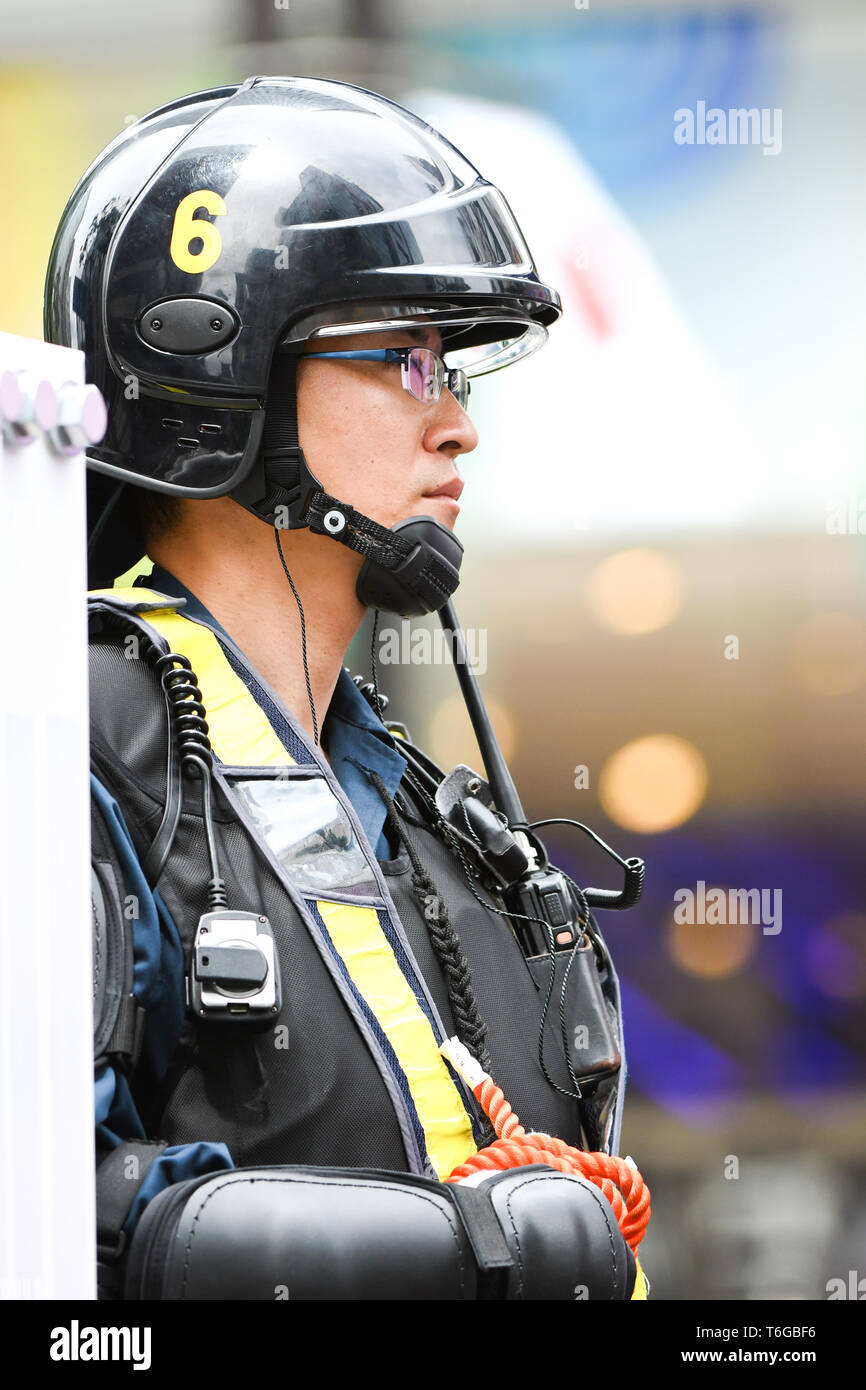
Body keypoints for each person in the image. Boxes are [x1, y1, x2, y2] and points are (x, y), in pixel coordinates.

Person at [45, 74, 647, 1300]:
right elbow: (51, 1221)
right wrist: (458, 1252)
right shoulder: (61, 750)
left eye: (456, 368)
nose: (457, 424)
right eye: (406, 357)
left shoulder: (437, 814)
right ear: (225, 365)